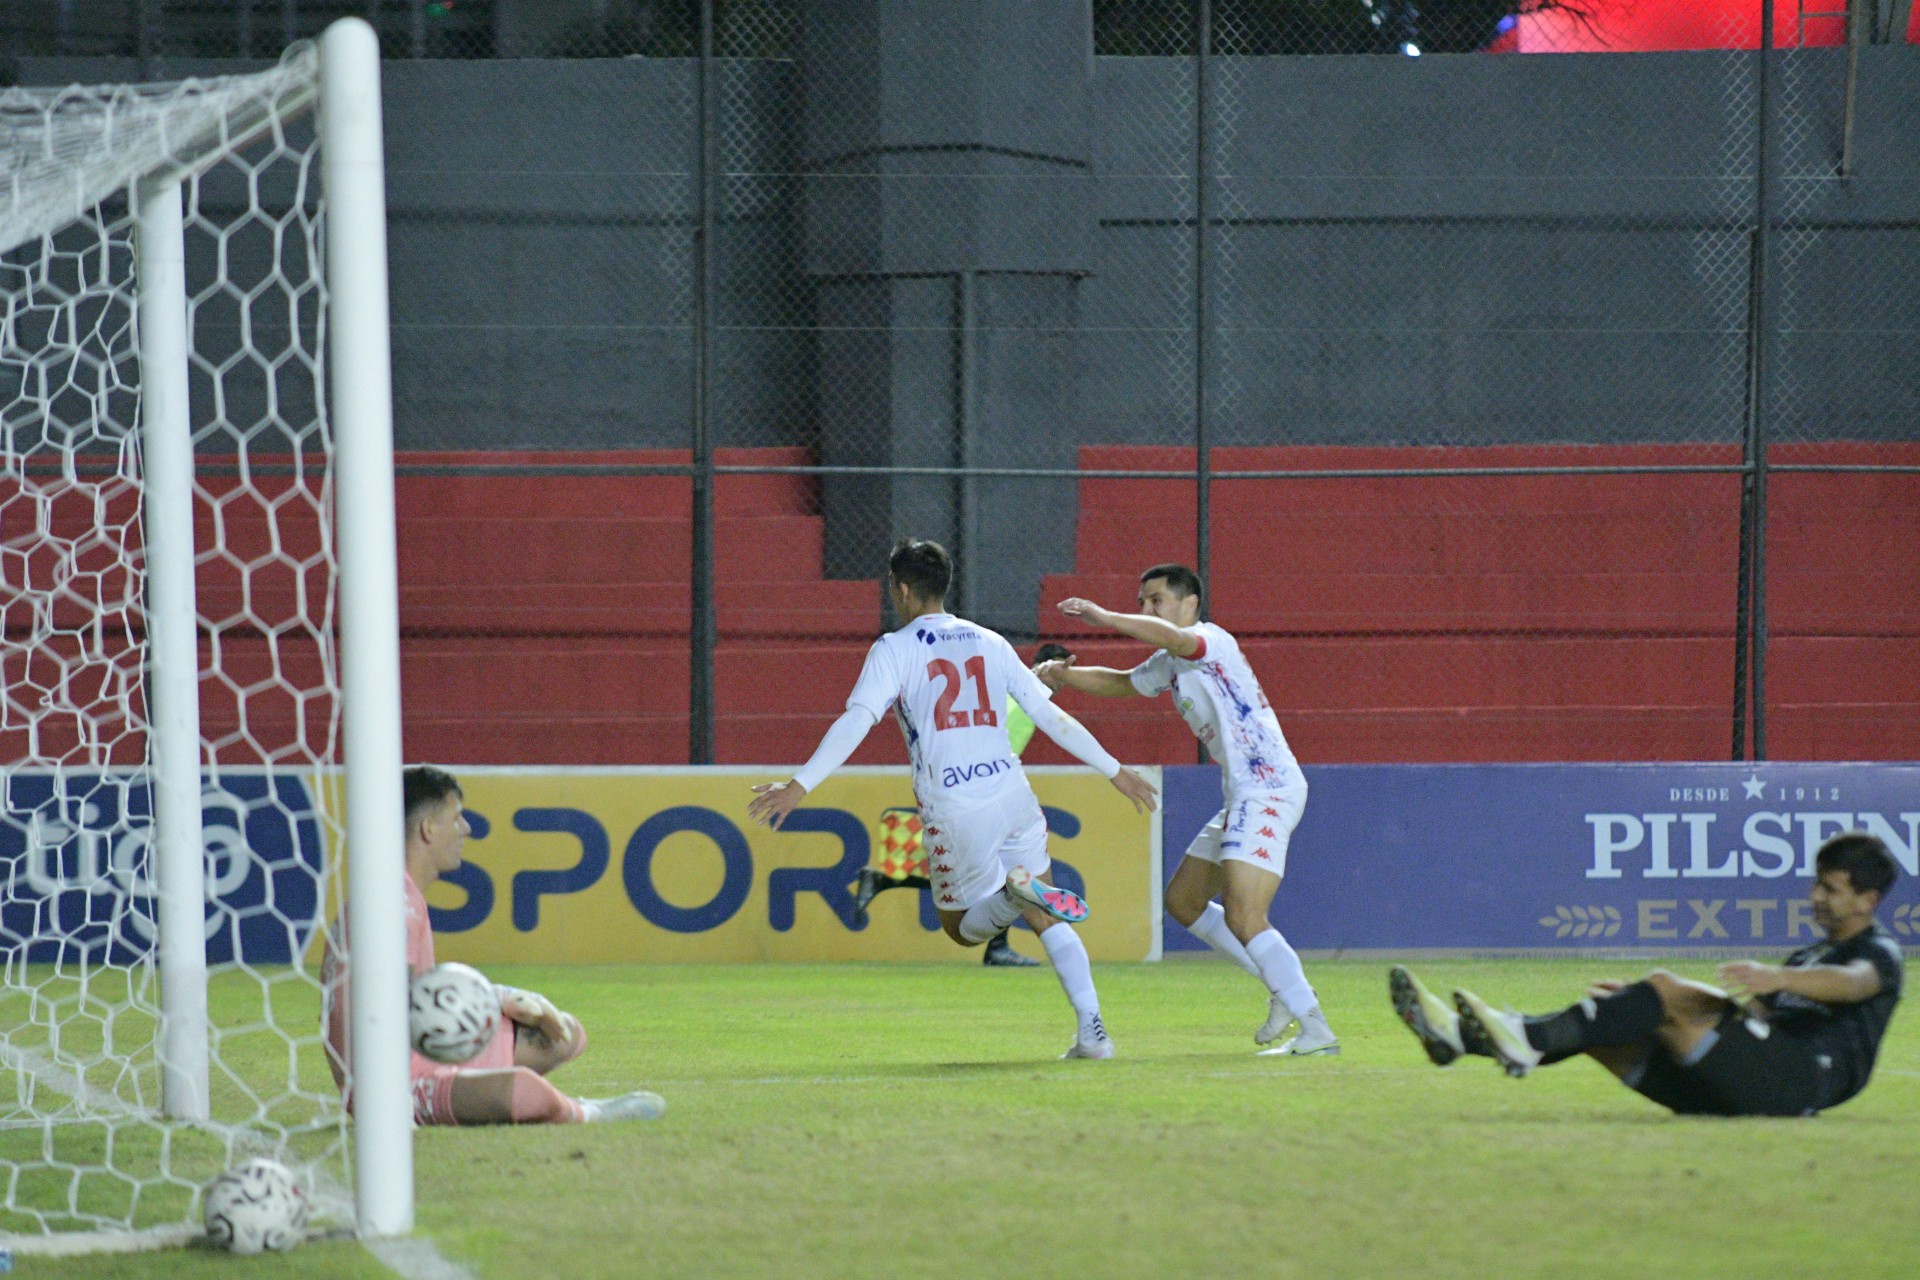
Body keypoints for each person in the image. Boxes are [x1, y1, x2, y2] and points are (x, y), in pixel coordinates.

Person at [749, 539, 1158, 1059]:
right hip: (1012, 792)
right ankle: (1093, 1032)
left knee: (961, 930)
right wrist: (1115, 769)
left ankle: (1013, 896)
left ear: (900, 588)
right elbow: (1051, 716)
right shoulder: (991, 641)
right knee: (1047, 916)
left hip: (955, 804)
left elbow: (858, 720)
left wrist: (798, 784)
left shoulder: (895, 649)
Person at [1036, 564, 1337, 1055]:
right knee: (1184, 902)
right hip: (1243, 793)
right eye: (1142, 603)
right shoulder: (1170, 662)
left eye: (1156, 600)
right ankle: (1286, 989)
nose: (1147, 610)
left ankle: (1315, 1027)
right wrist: (1065, 676)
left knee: (1245, 913)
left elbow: (1175, 640)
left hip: (1268, 787)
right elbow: (1122, 683)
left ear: (1190, 603)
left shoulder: (1209, 641)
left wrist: (1103, 615)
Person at [1390, 832, 1903, 1116]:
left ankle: (1514, 1038)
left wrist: (1780, 979)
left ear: (1867, 900)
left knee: (1665, 987)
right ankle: (1456, 1037)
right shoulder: (1805, 956)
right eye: (1817, 884)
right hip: (1747, 1081)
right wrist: (1632, 1009)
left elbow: (1856, 983)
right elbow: (1748, 1019)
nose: (1816, 896)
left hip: (1801, 1082)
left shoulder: (1878, 953)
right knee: (1612, 1025)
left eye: (1831, 888)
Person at [322, 765, 665, 1125]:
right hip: (392, 1085)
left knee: (564, 1035)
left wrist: (498, 998)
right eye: (456, 819)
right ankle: (585, 1113)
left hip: (406, 1061)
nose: (466, 829)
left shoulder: (390, 893)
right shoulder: (397, 902)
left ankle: (511, 1091)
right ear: (427, 829)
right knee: (523, 1091)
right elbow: (394, 1013)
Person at [851, 641, 1079, 968]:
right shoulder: (1019, 699)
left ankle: (883, 880)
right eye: (1057, 671)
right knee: (1000, 878)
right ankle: (997, 949)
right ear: (1039, 667)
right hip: (973, 797)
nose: (1061, 679)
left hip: (971, 794)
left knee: (982, 878)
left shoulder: (1018, 697)